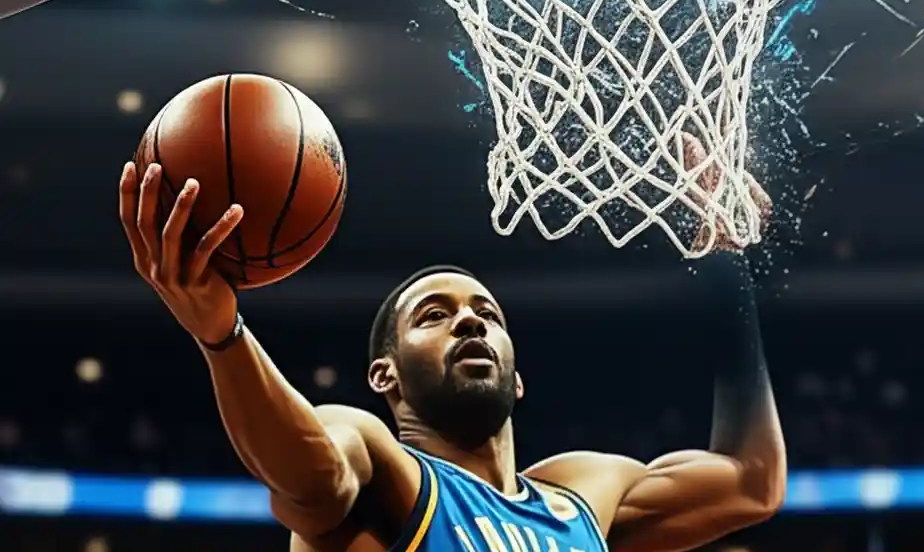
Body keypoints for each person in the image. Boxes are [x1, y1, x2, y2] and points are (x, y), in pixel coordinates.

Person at [116, 135, 784, 552]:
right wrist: (221, 334)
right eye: (433, 315)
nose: (470, 322)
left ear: (517, 378)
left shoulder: (585, 493)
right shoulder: (382, 466)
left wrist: (727, 264)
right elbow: (313, 476)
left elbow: (752, 484)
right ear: (386, 376)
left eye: (487, 314)